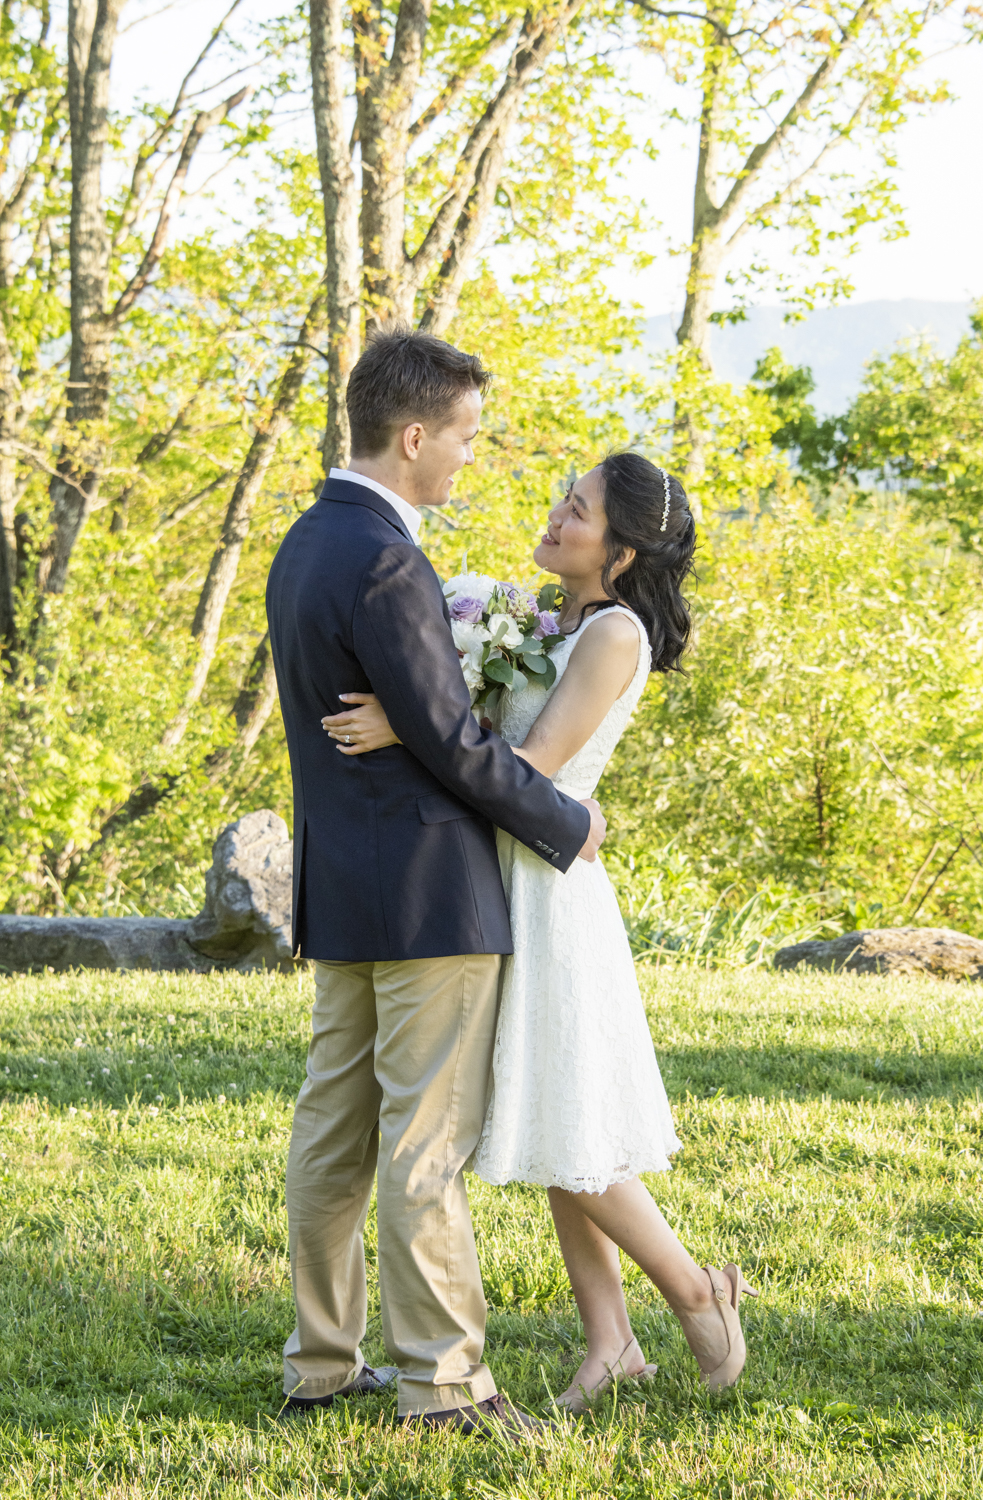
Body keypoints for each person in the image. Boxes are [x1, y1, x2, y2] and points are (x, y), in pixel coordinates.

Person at [324, 451, 758, 1412]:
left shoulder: (612, 635)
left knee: (567, 1122)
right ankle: (610, 1343)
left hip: (548, 888)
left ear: (623, 547)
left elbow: (531, 764)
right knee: (561, 1115)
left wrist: (410, 727)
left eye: (580, 510)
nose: (558, 516)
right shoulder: (540, 617)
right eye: (564, 498)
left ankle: (696, 1294)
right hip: (497, 874)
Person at [265, 328, 607, 1437]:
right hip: (426, 896)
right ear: (412, 436)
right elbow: (456, 746)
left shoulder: (306, 541)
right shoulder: (384, 558)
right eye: (462, 435)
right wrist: (566, 820)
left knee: (331, 1132)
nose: (468, 455)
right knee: (421, 1145)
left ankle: (320, 1365)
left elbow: (402, 727)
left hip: (343, 887)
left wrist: (418, 732)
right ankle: (443, 1387)